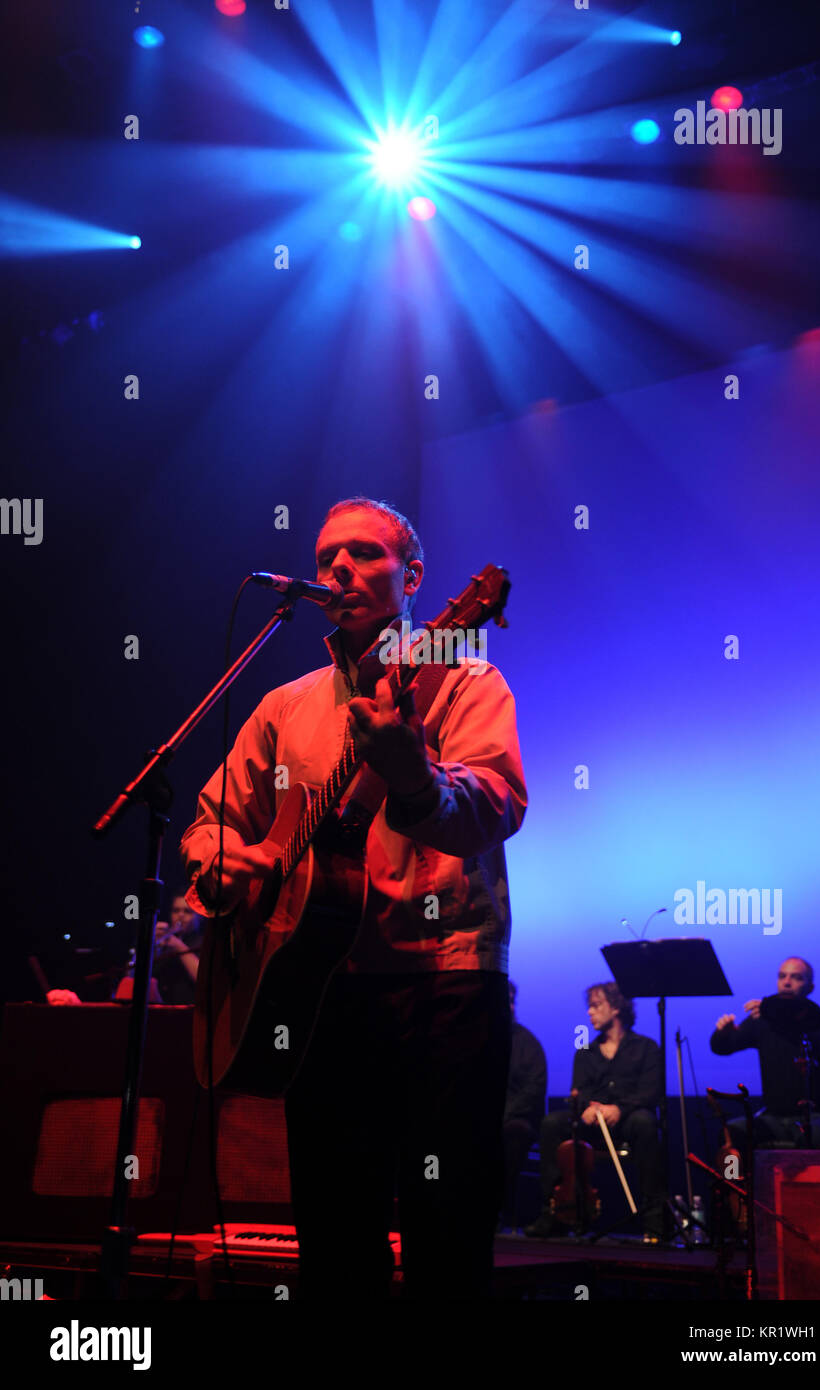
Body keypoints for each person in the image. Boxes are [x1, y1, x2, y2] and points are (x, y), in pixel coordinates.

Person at [180, 496, 527, 1300]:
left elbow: (497, 805)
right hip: (320, 992)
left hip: (442, 978)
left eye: (365, 554)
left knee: (446, 1231)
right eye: (329, 554)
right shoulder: (283, 706)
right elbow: (211, 823)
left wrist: (413, 778)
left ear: (412, 577)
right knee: (335, 1241)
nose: (339, 567)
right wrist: (225, 866)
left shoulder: (461, 674)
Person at [525, 982, 666, 1241]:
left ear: (615, 1008)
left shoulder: (646, 1047)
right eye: (589, 1006)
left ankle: (654, 1219)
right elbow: (578, 1090)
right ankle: (555, 1212)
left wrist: (619, 1108)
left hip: (627, 1119)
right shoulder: (586, 1052)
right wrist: (587, 1108)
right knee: (552, 1124)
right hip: (593, 1121)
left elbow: (650, 1092)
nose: (590, 1012)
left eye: (596, 1005)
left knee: (646, 1123)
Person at [710, 956, 820, 1148]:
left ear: (810, 987)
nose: (787, 982)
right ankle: (734, 1178)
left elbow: (810, 1027)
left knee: (811, 1138)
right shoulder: (763, 1021)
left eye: (796, 977)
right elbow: (722, 1048)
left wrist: (772, 1007)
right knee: (732, 1133)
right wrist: (722, 1033)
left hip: (815, 1117)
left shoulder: (818, 1021)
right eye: (782, 976)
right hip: (773, 1117)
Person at [45, 893, 203, 1006]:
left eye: (187, 911)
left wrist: (178, 946)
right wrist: (148, 943)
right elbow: (130, 975)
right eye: (176, 911)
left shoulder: (202, 941)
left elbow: (202, 978)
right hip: (158, 1009)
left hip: (187, 1010)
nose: (180, 916)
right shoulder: (162, 939)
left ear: (199, 916)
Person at [500, 980, 547, 1228]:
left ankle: (504, 1210)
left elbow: (533, 1091)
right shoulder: (470, 1039)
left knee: (511, 1134)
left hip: (515, 1120)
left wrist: (502, 1115)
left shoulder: (527, 1043)